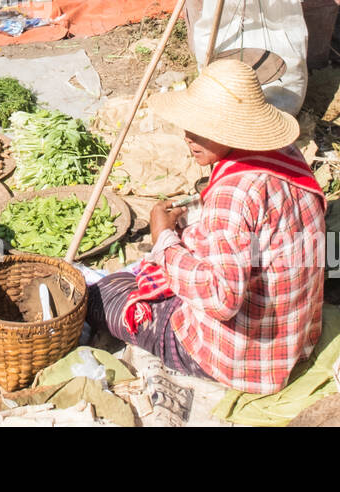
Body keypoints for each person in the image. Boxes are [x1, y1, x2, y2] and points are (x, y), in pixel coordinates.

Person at [86, 59, 327, 394]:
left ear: (232, 131)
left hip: (244, 359)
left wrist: (163, 239)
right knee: (141, 274)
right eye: (190, 127)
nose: (188, 138)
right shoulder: (284, 155)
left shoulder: (234, 194)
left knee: (104, 294)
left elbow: (222, 299)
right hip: (295, 336)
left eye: (202, 131)